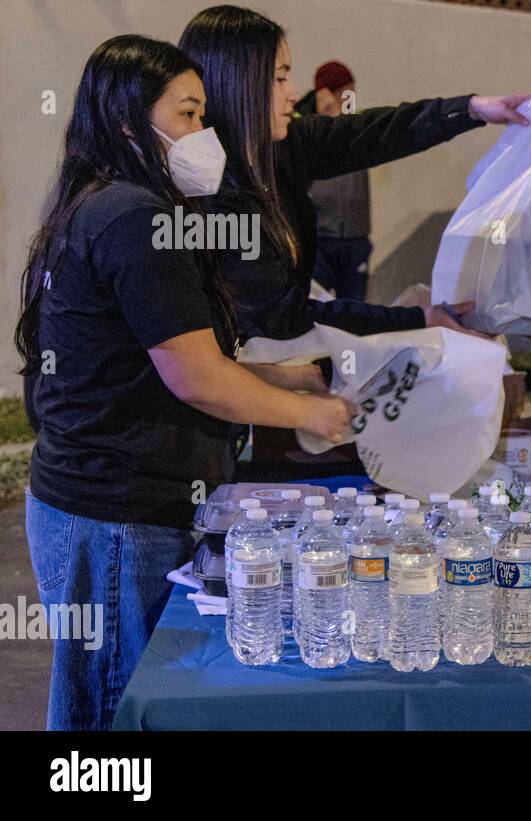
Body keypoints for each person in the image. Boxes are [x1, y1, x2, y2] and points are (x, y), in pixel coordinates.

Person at [18, 35, 353, 730]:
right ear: (124, 124)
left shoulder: (104, 205)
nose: (206, 135)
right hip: (117, 512)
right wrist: (308, 413)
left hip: (96, 502)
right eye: (189, 116)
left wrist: (292, 374)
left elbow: (164, 356)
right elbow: (195, 377)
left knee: (101, 700)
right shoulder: (136, 217)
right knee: (116, 709)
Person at [178, 5, 530, 342]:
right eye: (281, 77)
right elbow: (280, 319)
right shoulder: (211, 195)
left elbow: (372, 133)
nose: (294, 93)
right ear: (239, 82)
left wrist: (471, 109)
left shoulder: (279, 148)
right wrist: (416, 319)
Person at [294, 60, 374, 302]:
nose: (350, 98)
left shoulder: (355, 123)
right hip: (319, 239)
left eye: (352, 91)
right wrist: (326, 117)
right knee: (314, 305)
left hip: (354, 236)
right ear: (325, 92)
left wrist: (340, 117)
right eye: (343, 92)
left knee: (355, 306)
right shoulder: (301, 125)